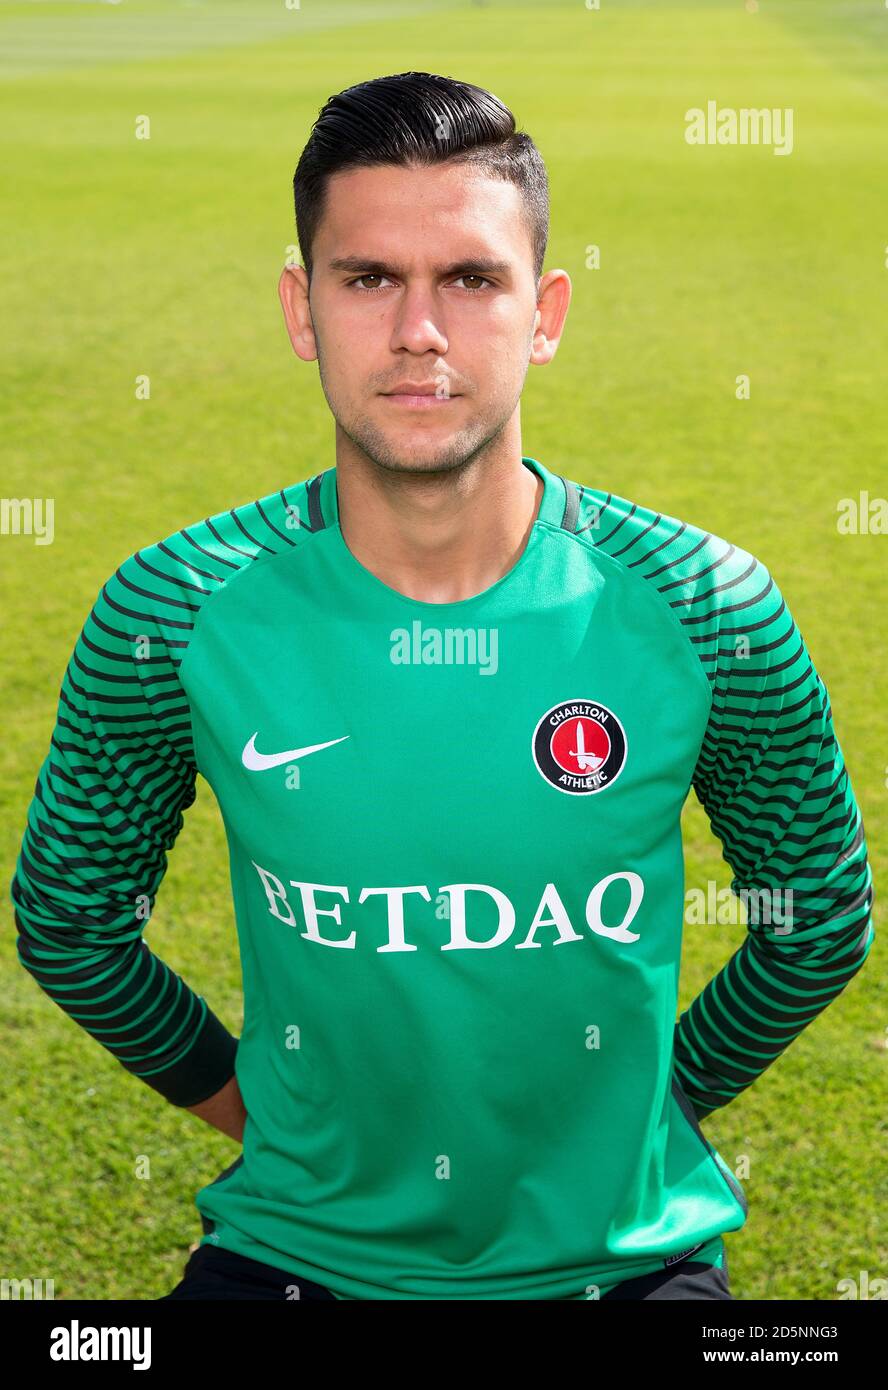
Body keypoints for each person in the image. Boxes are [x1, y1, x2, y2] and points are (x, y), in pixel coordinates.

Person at [9, 72, 874, 1302]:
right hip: (292, 1256)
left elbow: (816, 915)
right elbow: (72, 916)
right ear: (303, 310)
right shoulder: (175, 608)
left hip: (622, 1270)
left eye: (471, 279)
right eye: (369, 279)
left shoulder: (706, 604)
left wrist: (652, 1103)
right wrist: (247, 1105)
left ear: (545, 312)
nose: (420, 329)